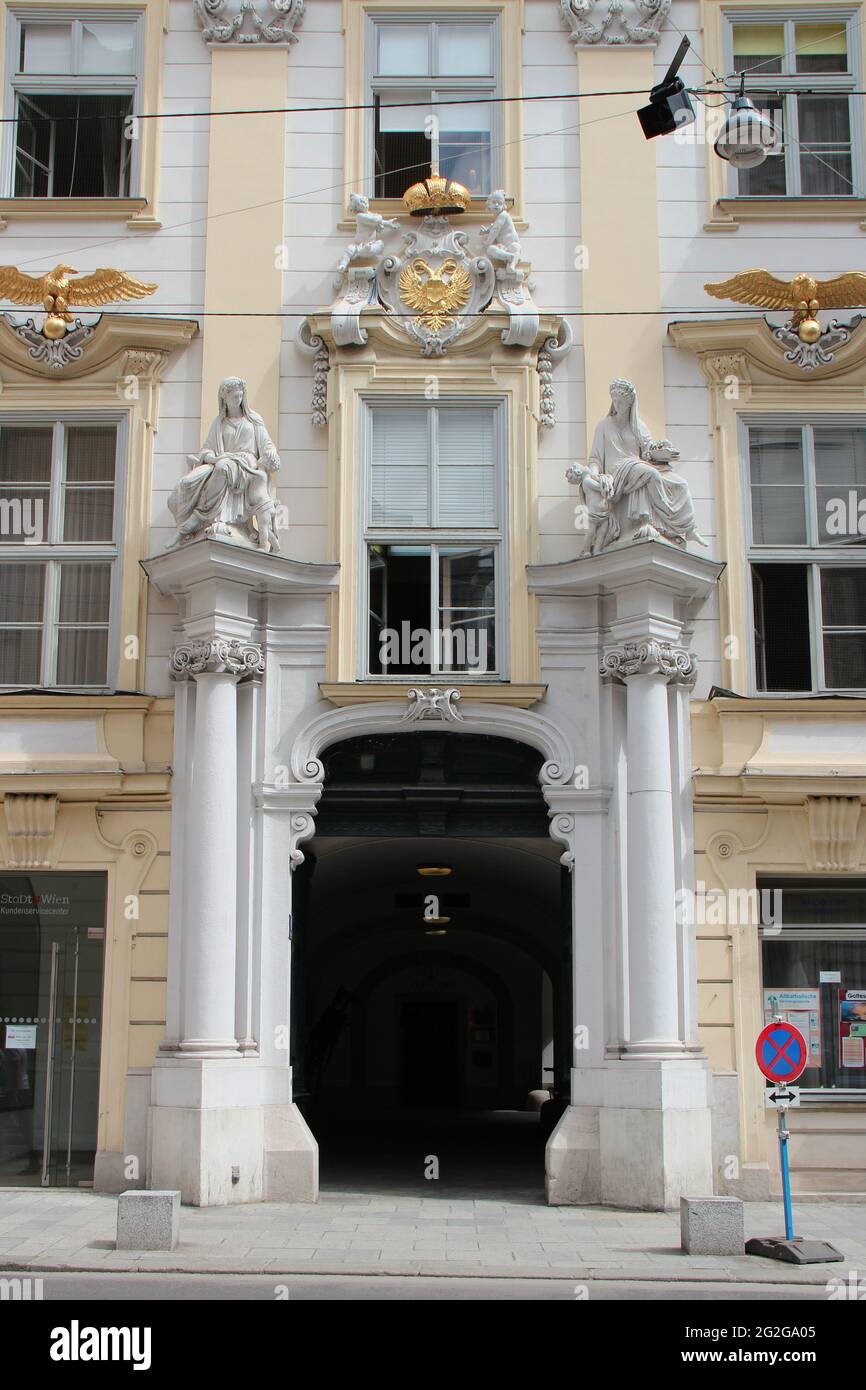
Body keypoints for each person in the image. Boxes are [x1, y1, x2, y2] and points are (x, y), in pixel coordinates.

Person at [167, 377, 281, 552]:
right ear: (224, 399)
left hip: (247, 465)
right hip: (222, 463)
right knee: (191, 481)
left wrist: (271, 454)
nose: (238, 399)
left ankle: (195, 520)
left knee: (224, 467)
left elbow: (266, 445)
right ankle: (200, 520)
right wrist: (213, 459)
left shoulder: (253, 420)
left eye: (240, 396)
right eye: (234, 396)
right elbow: (207, 449)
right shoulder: (218, 424)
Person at [588, 378, 705, 547]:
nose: (618, 406)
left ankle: (688, 527)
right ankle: (661, 518)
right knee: (650, 474)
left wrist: (664, 453)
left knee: (680, 483)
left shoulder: (639, 426)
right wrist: (596, 476)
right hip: (618, 471)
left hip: (638, 466)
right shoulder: (604, 426)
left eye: (622, 402)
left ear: (630, 405)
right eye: (615, 402)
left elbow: (649, 452)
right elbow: (595, 459)